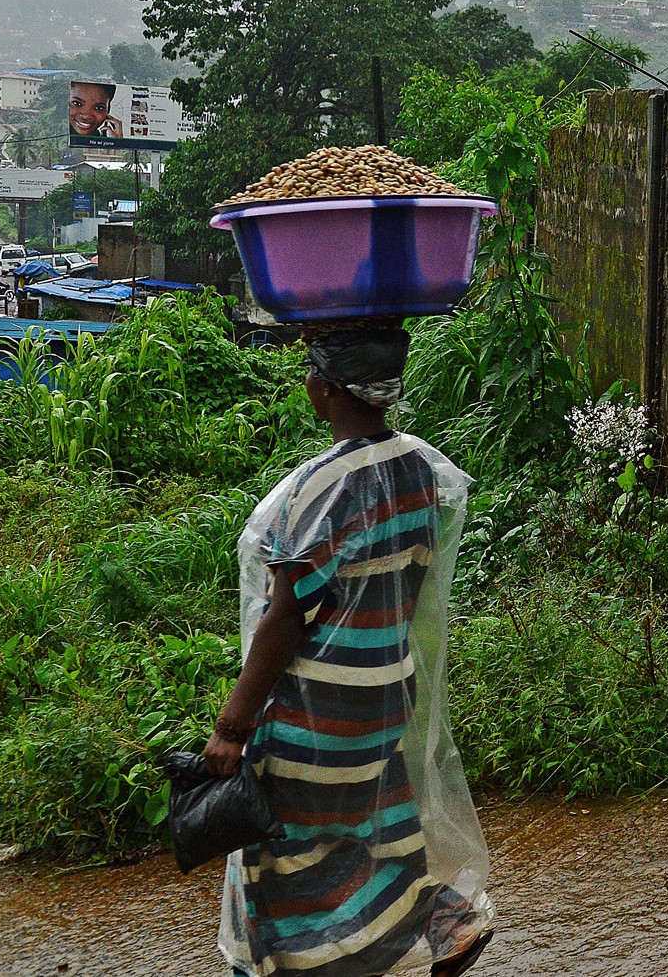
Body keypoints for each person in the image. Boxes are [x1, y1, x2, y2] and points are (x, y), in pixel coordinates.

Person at [204, 322, 494, 977]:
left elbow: (284, 617)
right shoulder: (418, 468)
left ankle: (283, 961)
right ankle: (443, 914)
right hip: (384, 694)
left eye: (312, 370)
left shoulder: (321, 486)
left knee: (270, 850)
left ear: (327, 387)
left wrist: (232, 726)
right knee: (372, 828)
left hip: (317, 711)